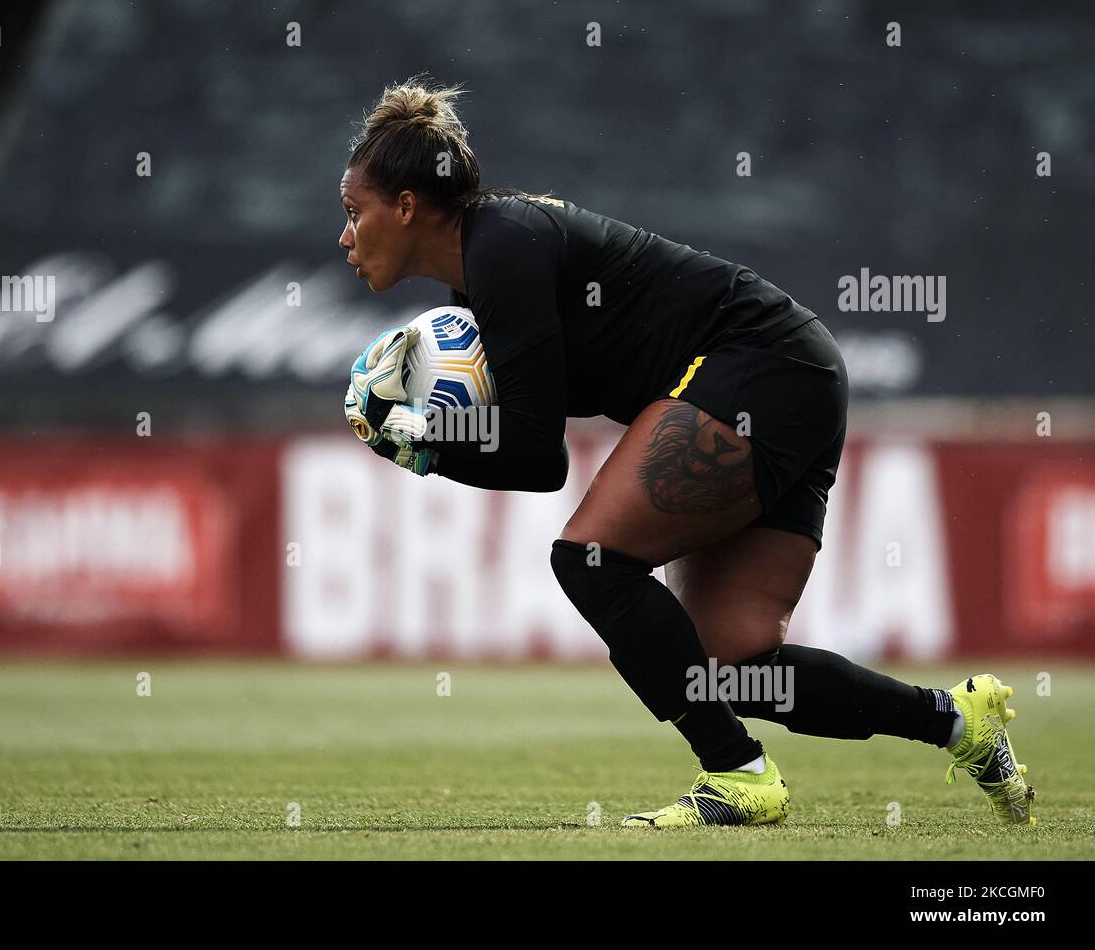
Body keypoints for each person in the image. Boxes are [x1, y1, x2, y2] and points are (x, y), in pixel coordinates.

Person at [340, 76, 1034, 827]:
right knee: (728, 671)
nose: (344, 236)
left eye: (354, 213)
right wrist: (426, 436)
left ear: (406, 207)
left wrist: (419, 443)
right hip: (794, 373)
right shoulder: (487, 275)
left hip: (757, 366)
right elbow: (523, 440)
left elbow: (540, 459)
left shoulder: (503, 247)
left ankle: (738, 774)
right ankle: (962, 724)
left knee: (592, 559)